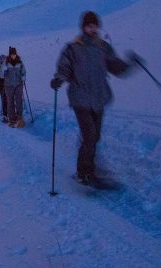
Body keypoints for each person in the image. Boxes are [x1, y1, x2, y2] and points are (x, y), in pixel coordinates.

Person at [51, 11, 137, 184]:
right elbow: (64, 68)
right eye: (89, 26)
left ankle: (88, 167)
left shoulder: (103, 47)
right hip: (80, 98)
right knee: (90, 135)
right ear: (83, 27)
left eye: (95, 26)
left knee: (94, 136)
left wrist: (130, 64)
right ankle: (85, 173)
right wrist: (59, 79)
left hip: (99, 97)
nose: (93, 29)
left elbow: (116, 67)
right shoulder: (72, 48)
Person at [0, 46, 27, 127]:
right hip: (8, 85)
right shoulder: (6, 63)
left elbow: (24, 72)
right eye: (12, 54)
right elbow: (0, 75)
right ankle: (12, 119)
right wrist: (3, 69)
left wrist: (23, 77)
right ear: (10, 54)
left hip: (18, 84)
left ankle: (20, 118)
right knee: (10, 102)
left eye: (14, 54)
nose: (13, 56)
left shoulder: (20, 62)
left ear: (16, 54)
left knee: (19, 101)